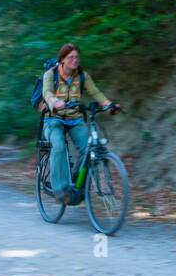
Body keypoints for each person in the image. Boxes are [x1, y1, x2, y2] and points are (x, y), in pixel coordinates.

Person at [41, 43, 118, 204]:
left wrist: (108, 104)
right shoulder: (51, 74)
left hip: (74, 118)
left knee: (87, 149)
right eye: (71, 57)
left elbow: (95, 92)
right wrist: (54, 101)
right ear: (62, 59)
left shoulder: (82, 75)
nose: (75, 60)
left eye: (77, 57)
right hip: (53, 119)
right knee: (59, 146)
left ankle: (76, 185)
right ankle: (61, 190)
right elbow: (47, 92)